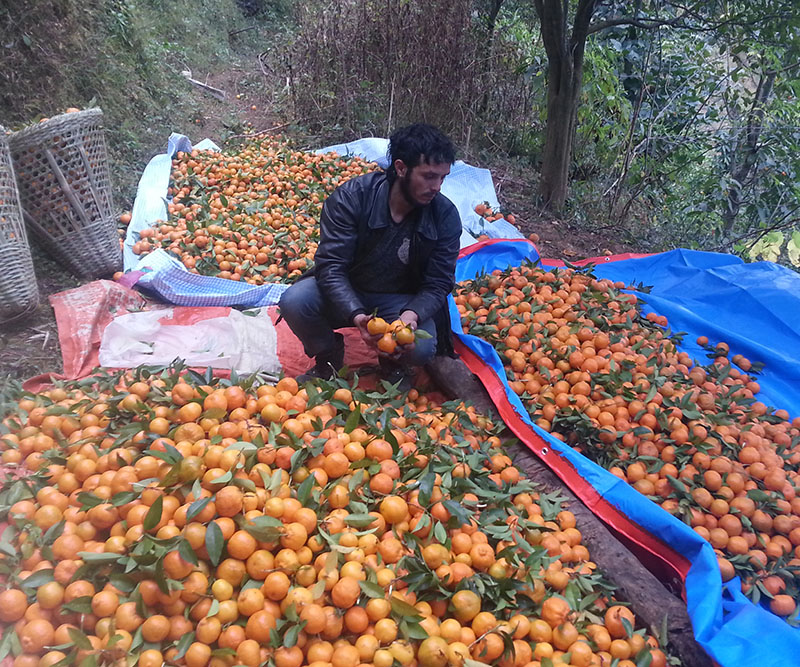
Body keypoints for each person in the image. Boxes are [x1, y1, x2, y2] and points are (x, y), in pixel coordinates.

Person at [278, 123, 461, 389]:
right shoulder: (352, 199)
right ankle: (328, 355)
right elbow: (331, 266)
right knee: (295, 301)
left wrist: (411, 315)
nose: (437, 187)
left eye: (442, 178)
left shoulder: (444, 215)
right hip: (347, 289)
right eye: (429, 176)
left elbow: (439, 282)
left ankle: (394, 363)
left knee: (421, 346)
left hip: (398, 298)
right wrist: (357, 315)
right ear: (401, 168)